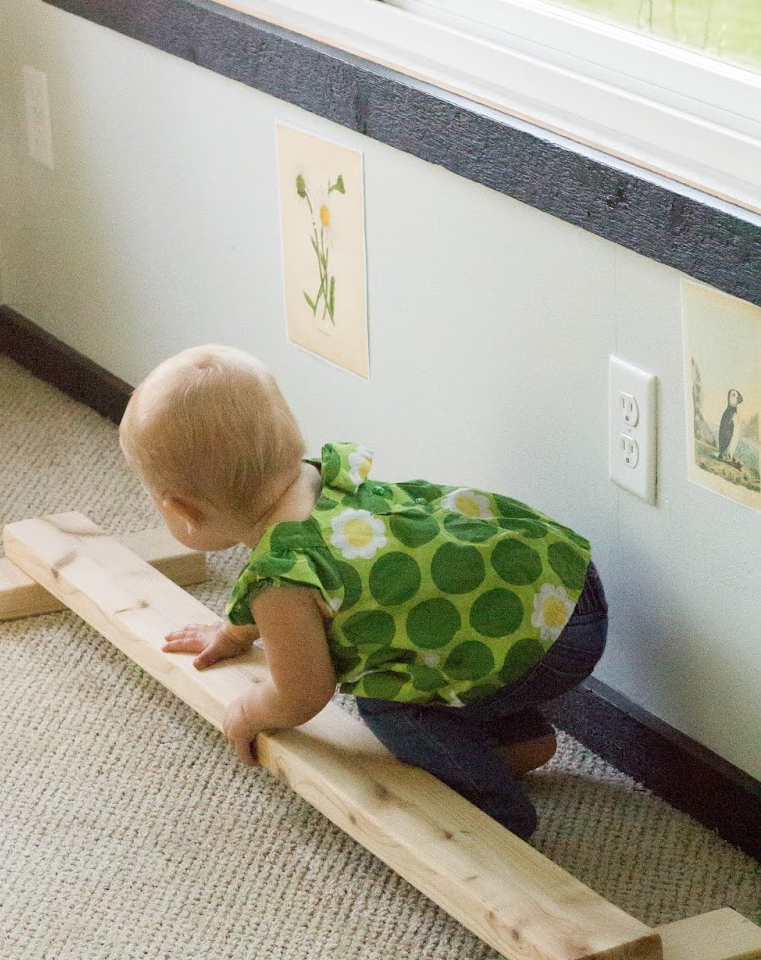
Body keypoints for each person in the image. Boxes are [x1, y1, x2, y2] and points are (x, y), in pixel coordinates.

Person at [119, 344, 607, 840]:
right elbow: (293, 596)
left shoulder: (280, 580)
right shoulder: (317, 481)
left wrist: (249, 711)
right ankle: (514, 740)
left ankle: (494, 813)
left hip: (541, 645)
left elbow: (304, 693)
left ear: (182, 510)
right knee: (422, 649)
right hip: (559, 583)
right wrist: (232, 633)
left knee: (386, 701)